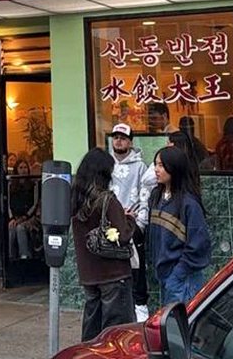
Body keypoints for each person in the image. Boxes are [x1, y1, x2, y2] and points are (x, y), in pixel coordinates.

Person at [71, 147, 136, 341]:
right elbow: (122, 235)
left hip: (89, 274)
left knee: (91, 331)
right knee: (115, 334)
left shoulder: (74, 199)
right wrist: (129, 219)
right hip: (113, 274)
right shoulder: (107, 200)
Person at [149, 147, 211, 303]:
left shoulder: (189, 204)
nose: (156, 169)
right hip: (164, 275)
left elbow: (198, 244)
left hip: (183, 279)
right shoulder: (156, 197)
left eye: (161, 165)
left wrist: (178, 273)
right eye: (155, 164)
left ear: (174, 167)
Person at [108, 124, 149, 322]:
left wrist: (140, 223)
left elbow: (145, 195)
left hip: (132, 224)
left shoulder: (140, 167)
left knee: (136, 266)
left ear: (130, 142)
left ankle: (140, 306)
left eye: (123, 138)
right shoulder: (107, 165)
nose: (118, 141)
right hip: (110, 224)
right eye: (115, 137)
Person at [8, 156, 40, 259]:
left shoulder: (33, 184)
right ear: (16, 169)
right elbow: (8, 203)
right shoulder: (11, 185)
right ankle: (10, 257)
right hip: (15, 216)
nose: (23, 170)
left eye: (25, 167)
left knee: (20, 228)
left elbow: (35, 203)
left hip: (30, 217)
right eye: (21, 168)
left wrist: (24, 217)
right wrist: (12, 218)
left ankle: (24, 256)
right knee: (11, 228)